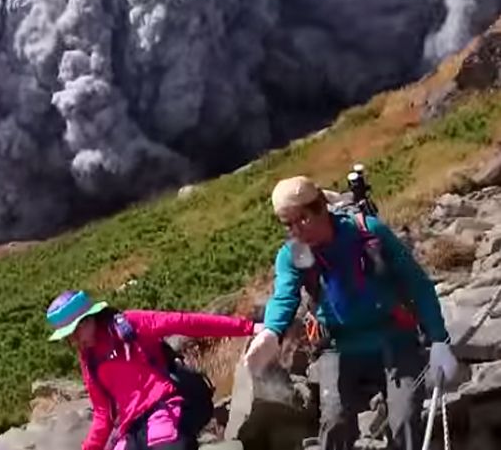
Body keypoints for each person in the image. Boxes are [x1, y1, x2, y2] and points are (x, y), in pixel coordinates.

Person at [244, 176, 459, 450]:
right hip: (338, 345)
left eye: (303, 219)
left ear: (321, 208)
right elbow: (285, 294)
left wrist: (439, 339)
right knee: (335, 422)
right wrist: (272, 331)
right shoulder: (295, 254)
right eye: (289, 224)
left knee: (404, 420)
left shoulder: (367, 232)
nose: (297, 230)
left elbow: (417, 283)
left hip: (394, 337)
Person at [46, 289, 261, 450]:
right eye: (68, 337)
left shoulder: (127, 324)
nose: (74, 340)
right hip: (132, 428)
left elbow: (185, 323)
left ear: (89, 318)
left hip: (165, 407)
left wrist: (248, 328)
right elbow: (103, 414)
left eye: (75, 331)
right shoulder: (90, 359)